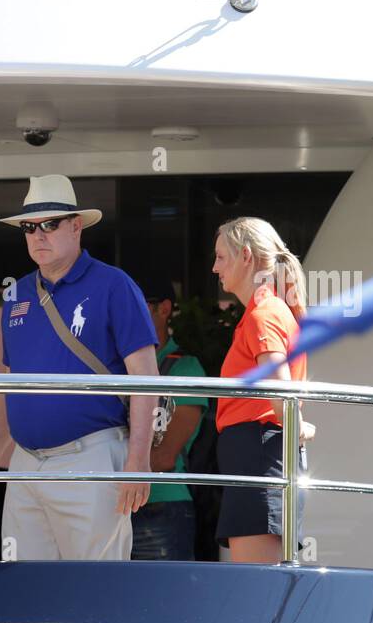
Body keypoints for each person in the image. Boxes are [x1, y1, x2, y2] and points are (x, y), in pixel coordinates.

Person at [0, 175, 159, 623]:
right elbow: (8, 384)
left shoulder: (114, 285)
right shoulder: (17, 294)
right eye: (29, 226)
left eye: (50, 224)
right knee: (31, 596)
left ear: (77, 226)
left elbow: (148, 378)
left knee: (100, 592)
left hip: (93, 457)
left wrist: (138, 461)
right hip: (26, 464)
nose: (38, 235)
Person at [212, 217, 314, 563]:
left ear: (245, 256)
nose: (214, 268)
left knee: (258, 591)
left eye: (221, 257)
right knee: (263, 588)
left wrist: (296, 423)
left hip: (258, 455)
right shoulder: (267, 311)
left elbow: (280, 390)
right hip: (262, 454)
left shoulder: (263, 313)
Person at [131, 280, 205, 561]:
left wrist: (111, 467)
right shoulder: (116, 369)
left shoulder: (185, 367)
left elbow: (165, 458)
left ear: (164, 309)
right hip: (114, 506)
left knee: (166, 602)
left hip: (163, 504)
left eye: (140, 306)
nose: (131, 314)